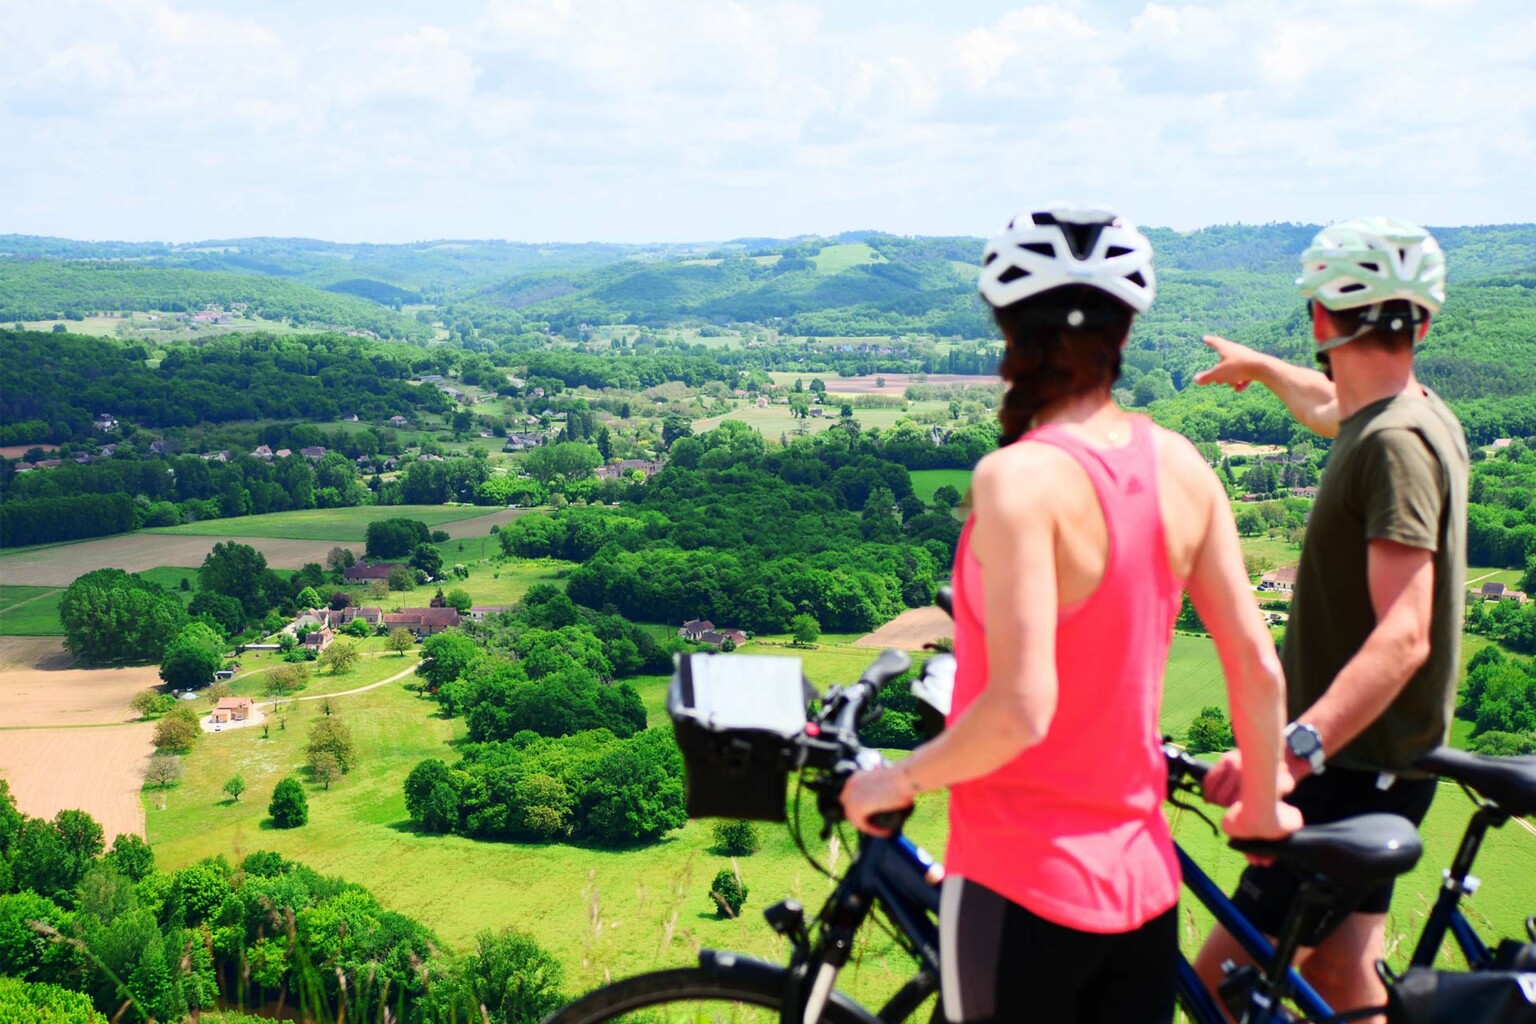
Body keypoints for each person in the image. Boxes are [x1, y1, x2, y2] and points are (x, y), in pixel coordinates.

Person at [841, 204, 1298, 1024]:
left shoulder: (1018, 482)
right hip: (1144, 897)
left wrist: (894, 779)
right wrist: (1261, 806)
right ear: (1123, 334)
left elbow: (1020, 710)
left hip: (1020, 888)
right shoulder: (1181, 467)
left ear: (1010, 331)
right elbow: (1258, 667)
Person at [1192, 217, 1469, 1019]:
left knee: (1218, 985)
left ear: (1320, 318)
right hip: (1382, 761)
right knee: (1345, 981)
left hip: (1345, 768)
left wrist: (1293, 753)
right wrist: (1260, 367)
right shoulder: (1411, 415)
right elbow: (1331, 405)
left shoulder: (1394, 446)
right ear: (1424, 319)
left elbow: (1406, 632)